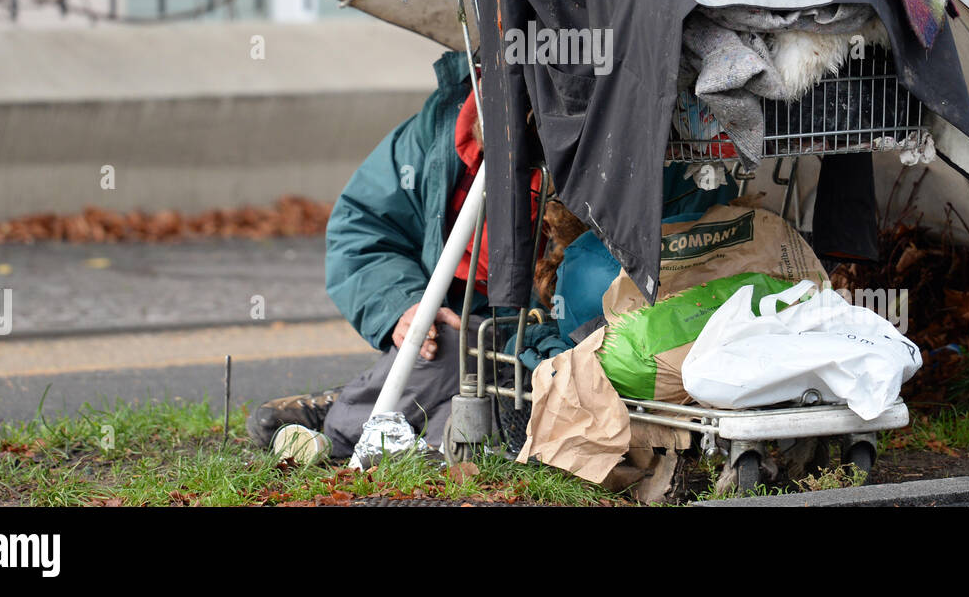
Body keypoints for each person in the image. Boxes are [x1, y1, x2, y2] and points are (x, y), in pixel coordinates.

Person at [249, 50, 738, 461]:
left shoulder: (629, 134)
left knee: (483, 419)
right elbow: (364, 227)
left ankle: (380, 415)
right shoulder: (437, 133)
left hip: (562, 336)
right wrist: (400, 305)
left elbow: (692, 228)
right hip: (465, 320)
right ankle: (350, 418)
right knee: (439, 348)